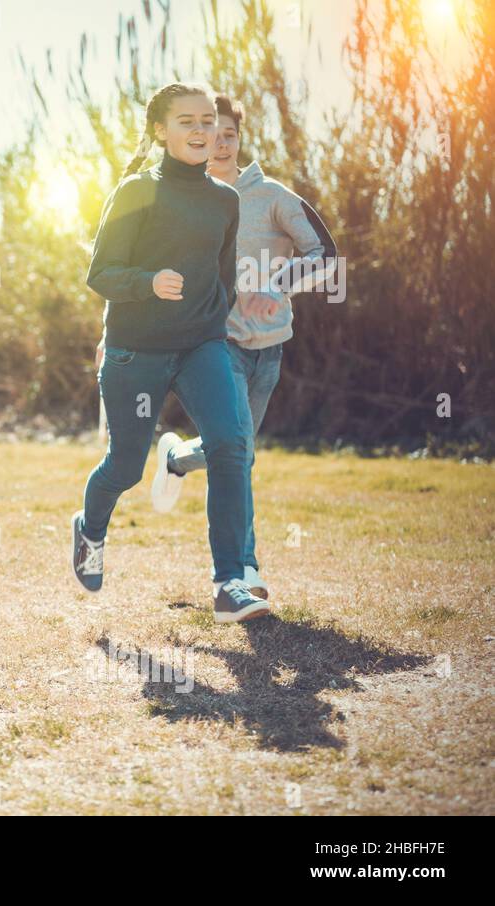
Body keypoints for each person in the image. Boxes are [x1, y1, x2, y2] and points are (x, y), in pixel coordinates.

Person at [73, 82, 271, 623]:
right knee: (126, 466)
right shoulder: (136, 191)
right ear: (161, 130)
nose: (202, 131)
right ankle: (89, 531)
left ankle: (231, 582)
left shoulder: (224, 200)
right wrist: (147, 282)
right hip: (136, 351)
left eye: (208, 121)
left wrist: (211, 321)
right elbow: (100, 273)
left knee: (231, 443)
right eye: (188, 121)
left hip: (202, 345)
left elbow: (222, 277)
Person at [146, 95, 337, 601]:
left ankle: (177, 459)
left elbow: (326, 253)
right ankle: (242, 572)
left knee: (236, 450)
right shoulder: (190, 197)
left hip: (268, 346)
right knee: (239, 452)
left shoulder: (272, 195)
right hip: (215, 343)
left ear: (237, 138)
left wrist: (278, 285)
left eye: (229, 133)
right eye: (212, 132)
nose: (220, 141)